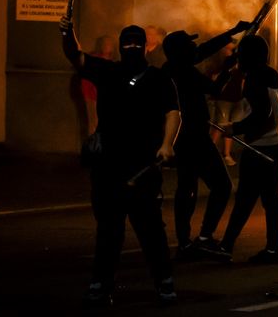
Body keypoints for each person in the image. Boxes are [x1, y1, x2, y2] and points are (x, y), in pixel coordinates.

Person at [59, 18, 181, 307]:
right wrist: (68, 33)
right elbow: (74, 55)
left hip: (143, 166)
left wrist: (167, 144)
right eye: (127, 43)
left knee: (150, 229)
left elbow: (173, 112)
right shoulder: (107, 71)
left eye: (136, 43)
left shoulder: (158, 78)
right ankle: (101, 284)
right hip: (109, 167)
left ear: (146, 47)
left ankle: (164, 282)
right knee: (109, 231)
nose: (131, 48)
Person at [162, 21, 249, 259]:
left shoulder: (171, 67)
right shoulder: (184, 71)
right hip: (194, 138)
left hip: (185, 138)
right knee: (221, 186)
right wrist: (228, 69)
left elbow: (205, 48)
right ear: (181, 50)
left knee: (186, 188)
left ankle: (185, 242)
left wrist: (231, 33)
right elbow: (214, 89)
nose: (194, 47)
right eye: (189, 44)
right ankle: (202, 237)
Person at [212, 34, 278, 264]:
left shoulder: (254, 78)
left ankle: (227, 246)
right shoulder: (272, 73)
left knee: (245, 198)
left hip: (258, 146)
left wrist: (235, 128)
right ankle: (272, 249)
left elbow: (261, 113)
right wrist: (276, 122)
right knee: (271, 199)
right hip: (276, 142)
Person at [211, 41, 242, 166]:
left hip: (237, 98)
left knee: (230, 127)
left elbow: (242, 78)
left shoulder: (238, 62)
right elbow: (214, 78)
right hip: (224, 98)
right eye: (227, 47)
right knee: (220, 126)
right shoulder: (220, 62)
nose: (229, 50)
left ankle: (227, 154)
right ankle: (210, 153)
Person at [81, 35, 117, 137]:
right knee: (94, 122)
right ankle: (93, 148)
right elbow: (87, 81)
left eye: (110, 44)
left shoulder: (113, 60)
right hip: (92, 95)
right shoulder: (94, 59)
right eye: (105, 44)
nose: (107, 46)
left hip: (106, 97)